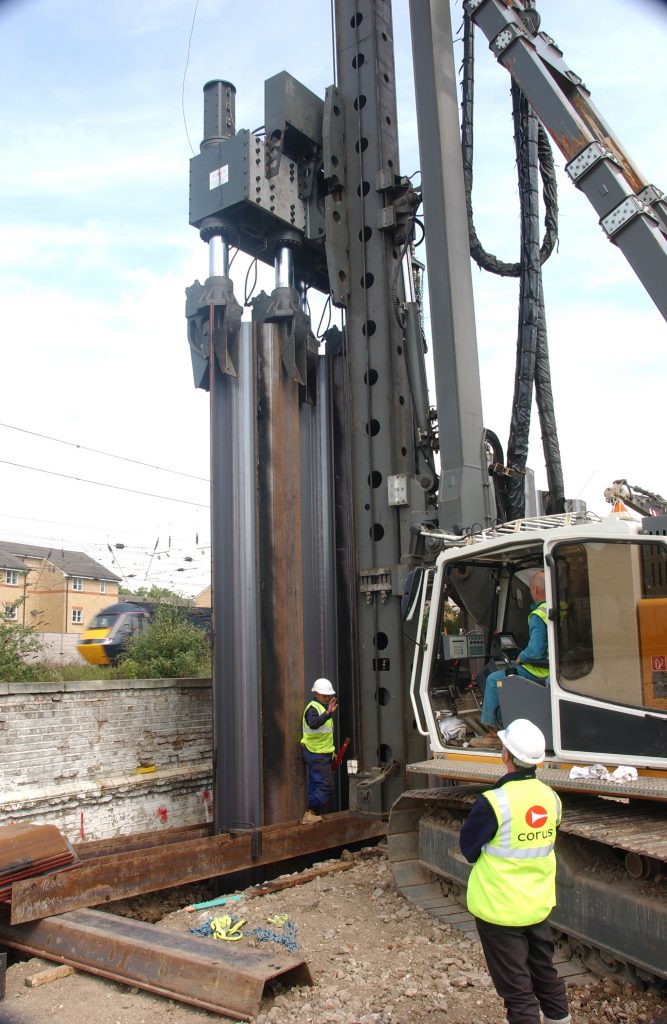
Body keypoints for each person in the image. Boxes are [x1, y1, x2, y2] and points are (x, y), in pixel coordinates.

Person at [459, 718, 570, 1024]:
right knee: (546, 975)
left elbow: (469, 849)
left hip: (500, 910)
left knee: (517, 992)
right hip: (537, 906)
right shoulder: (552, 799)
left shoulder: (493, 803)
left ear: (505, 754)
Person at [471, 570, 549, 747]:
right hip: (555, 668)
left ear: (535, 590)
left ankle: (492, 735)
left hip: (539, 668)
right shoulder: (557, 609)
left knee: (492, 679)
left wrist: (522, 656)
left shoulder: (538, 615)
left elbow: (536, 651)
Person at [300, 678, 338, 824]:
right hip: (316, 753)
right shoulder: (313, 708)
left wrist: (331, 752)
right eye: (324, 695)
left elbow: (325, 735)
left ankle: (311, 813)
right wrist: (328, 713)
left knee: (316, 783)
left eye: (328, 696)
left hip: (322, 753)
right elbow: (313, 724)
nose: (327, 698)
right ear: (316, 693)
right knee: (326, 784)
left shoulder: (322, 708)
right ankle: (310, 813)